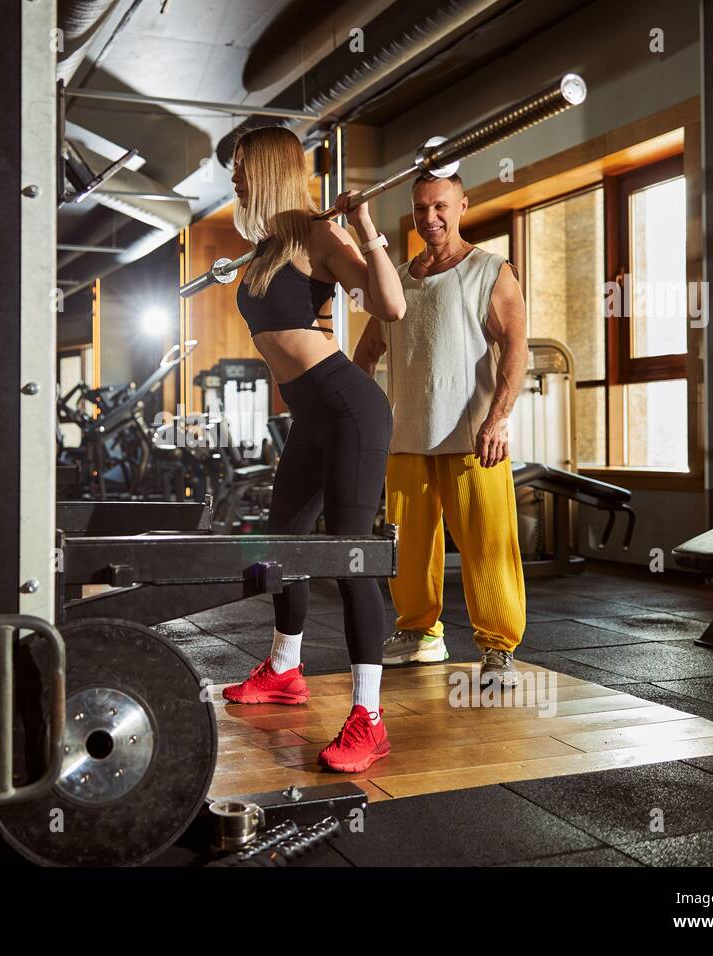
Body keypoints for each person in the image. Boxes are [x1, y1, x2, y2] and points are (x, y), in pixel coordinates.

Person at [220, 126, 405, 773]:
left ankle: (369, 717)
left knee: (350, 556)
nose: (234, 178)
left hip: (350, 408)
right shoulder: (271, 245)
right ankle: (285, 669)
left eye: (241, 166)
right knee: (283, 546)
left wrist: (366, 228)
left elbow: (390, 303)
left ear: (269, 167)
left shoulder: (320, 232)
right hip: (310, 414)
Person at [353, 172, 528, 687]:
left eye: (440, 206)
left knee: (488, 545)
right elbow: (365, 354)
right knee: (407, 548)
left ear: (463, 204)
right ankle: (420, 633)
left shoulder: (490, 271)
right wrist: (359, 421)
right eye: (420, 208)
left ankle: (498, 647)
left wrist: (498, 419)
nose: (430, 218)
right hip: (405, 437)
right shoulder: (399, 278)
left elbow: (517, 348)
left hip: (474, 438)